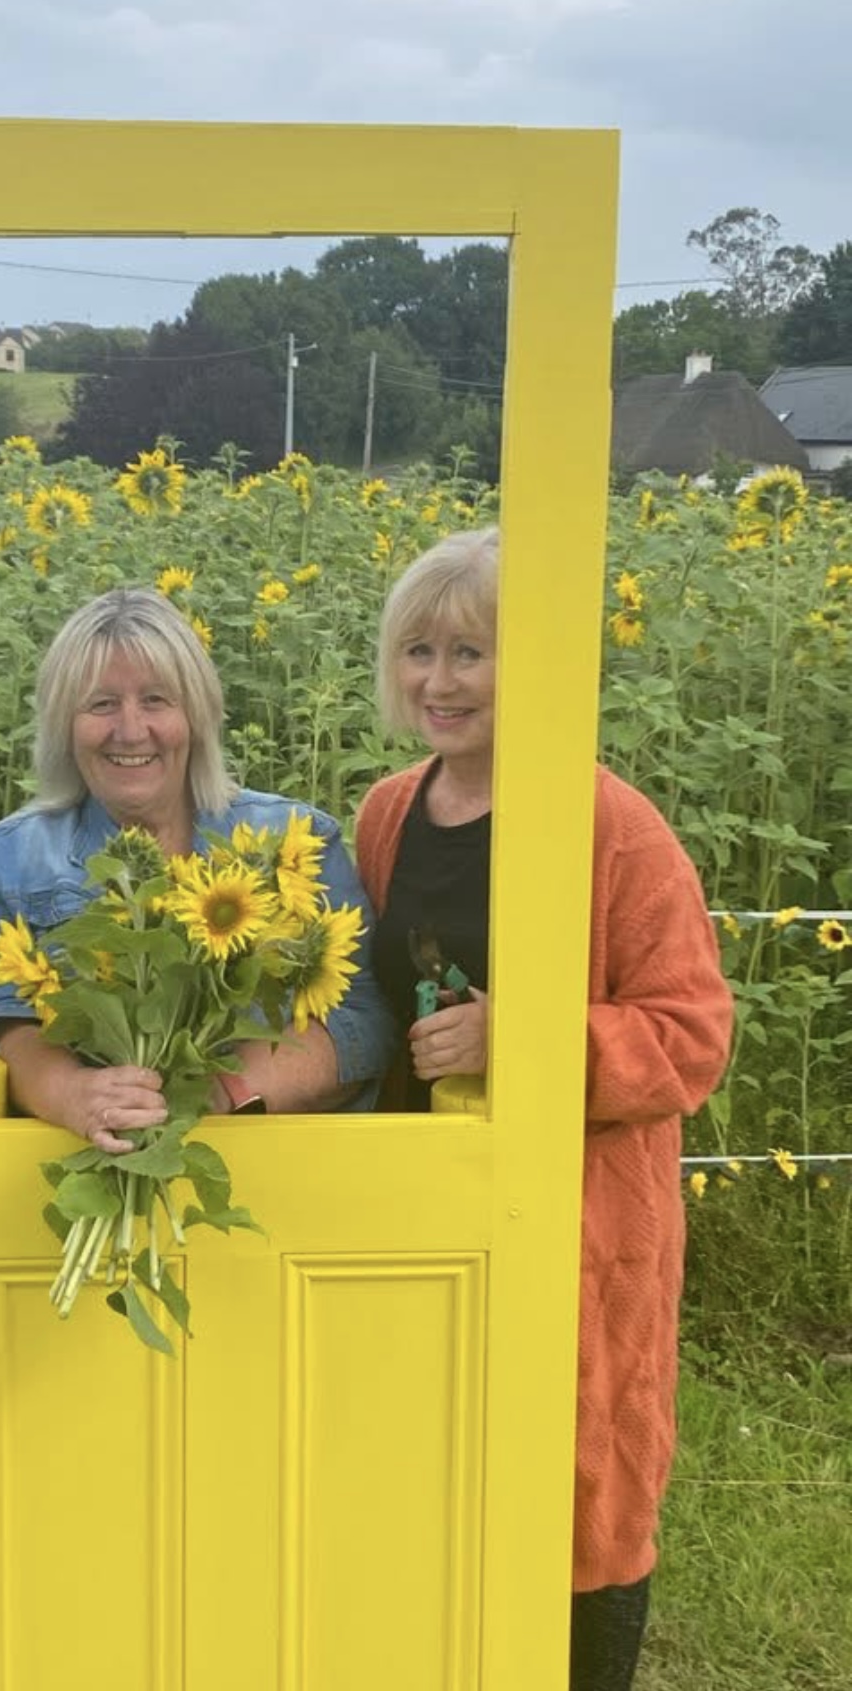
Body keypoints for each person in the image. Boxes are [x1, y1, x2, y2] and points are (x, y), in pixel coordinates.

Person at [354, 528, 734, 1691]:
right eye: (419, 649)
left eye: (472, 650)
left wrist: (522, 1037)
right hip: (421, 1197)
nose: (439, 679)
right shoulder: (385, 812)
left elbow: (691, 1034)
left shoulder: (611, 825)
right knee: (429, 1466)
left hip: (577, 1221)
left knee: (577, 1474)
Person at [0, 587, 394, 1137]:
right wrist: (75, 1096)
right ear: (62, 725)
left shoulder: (295, 840)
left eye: (156, 700)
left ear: (196, 717)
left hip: (275, 1163)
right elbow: (2, 1023)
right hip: (80, 1160)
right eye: (101, 704)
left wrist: (221, 1095)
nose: (130, 730)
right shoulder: (9, 859)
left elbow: (362, 1019)